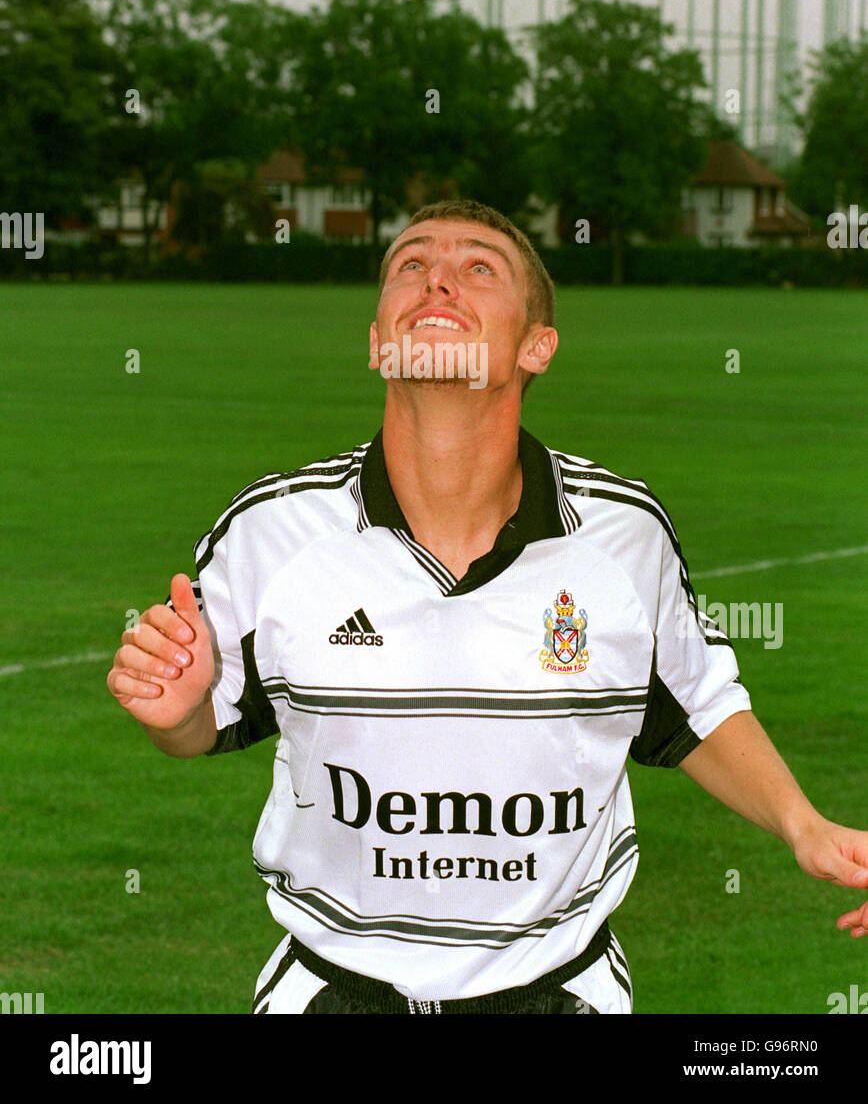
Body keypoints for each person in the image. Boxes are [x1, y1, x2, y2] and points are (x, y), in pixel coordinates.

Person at [107, 199, 868, 1015]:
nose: (437, 279)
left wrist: (804, 824)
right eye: (410, 265)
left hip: (560, 993)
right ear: (377, 341)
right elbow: (197, 726)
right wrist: (172, 711)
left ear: (535, 345)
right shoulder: (271, 530)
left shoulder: (623, 534)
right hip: (330, 992)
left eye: (477, 268)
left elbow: (694, 705)